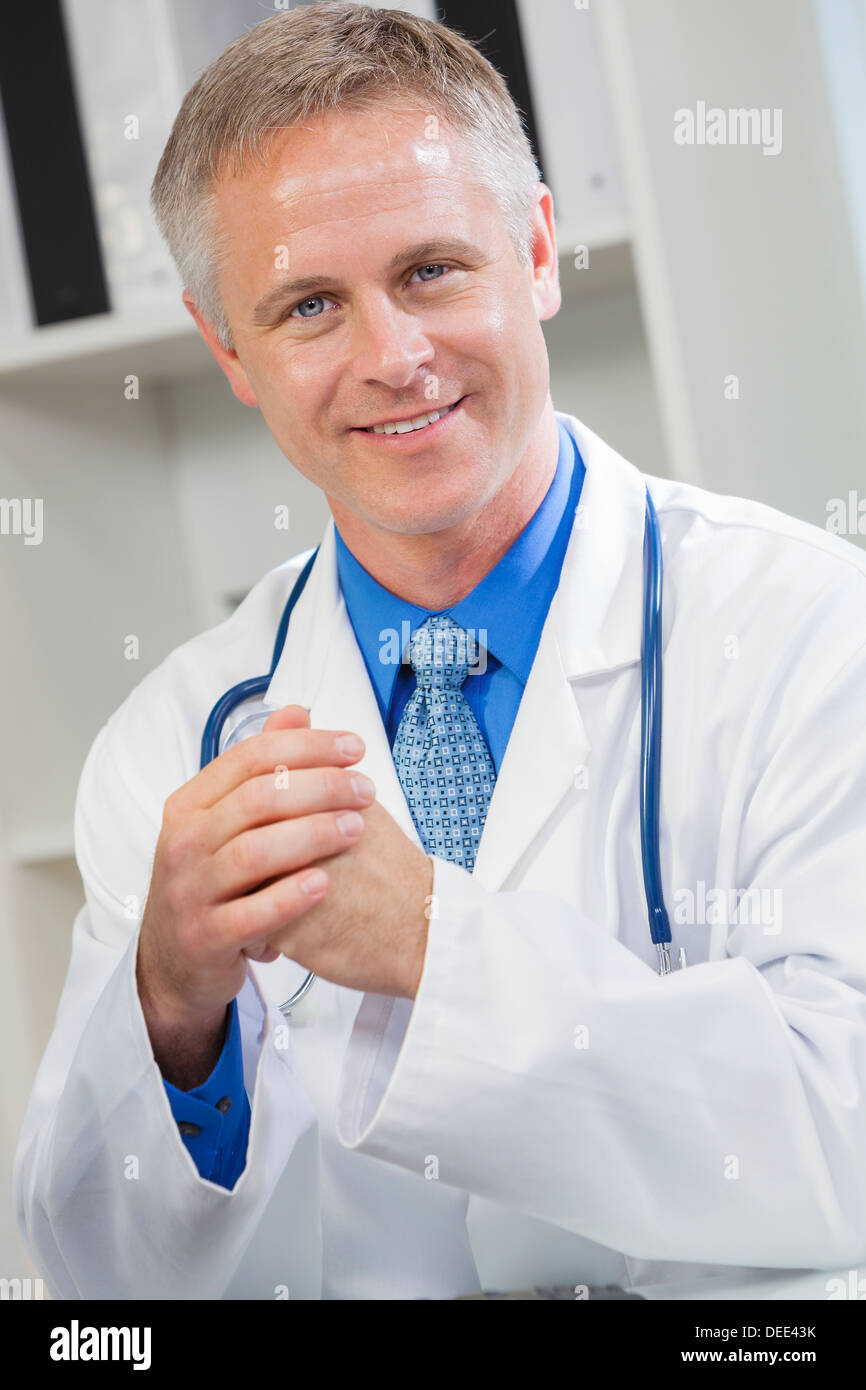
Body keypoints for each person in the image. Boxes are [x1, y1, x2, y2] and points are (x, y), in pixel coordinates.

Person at [14, 4, 866, 1301]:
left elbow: (844, 1127)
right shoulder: (177, 743)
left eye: (428, 270)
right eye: (308, 305)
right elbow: (97, 1286)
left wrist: (428, 939)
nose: (393, 358)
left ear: (534, 250)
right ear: (226, 349)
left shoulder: (806, 630)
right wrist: (174, 1015)